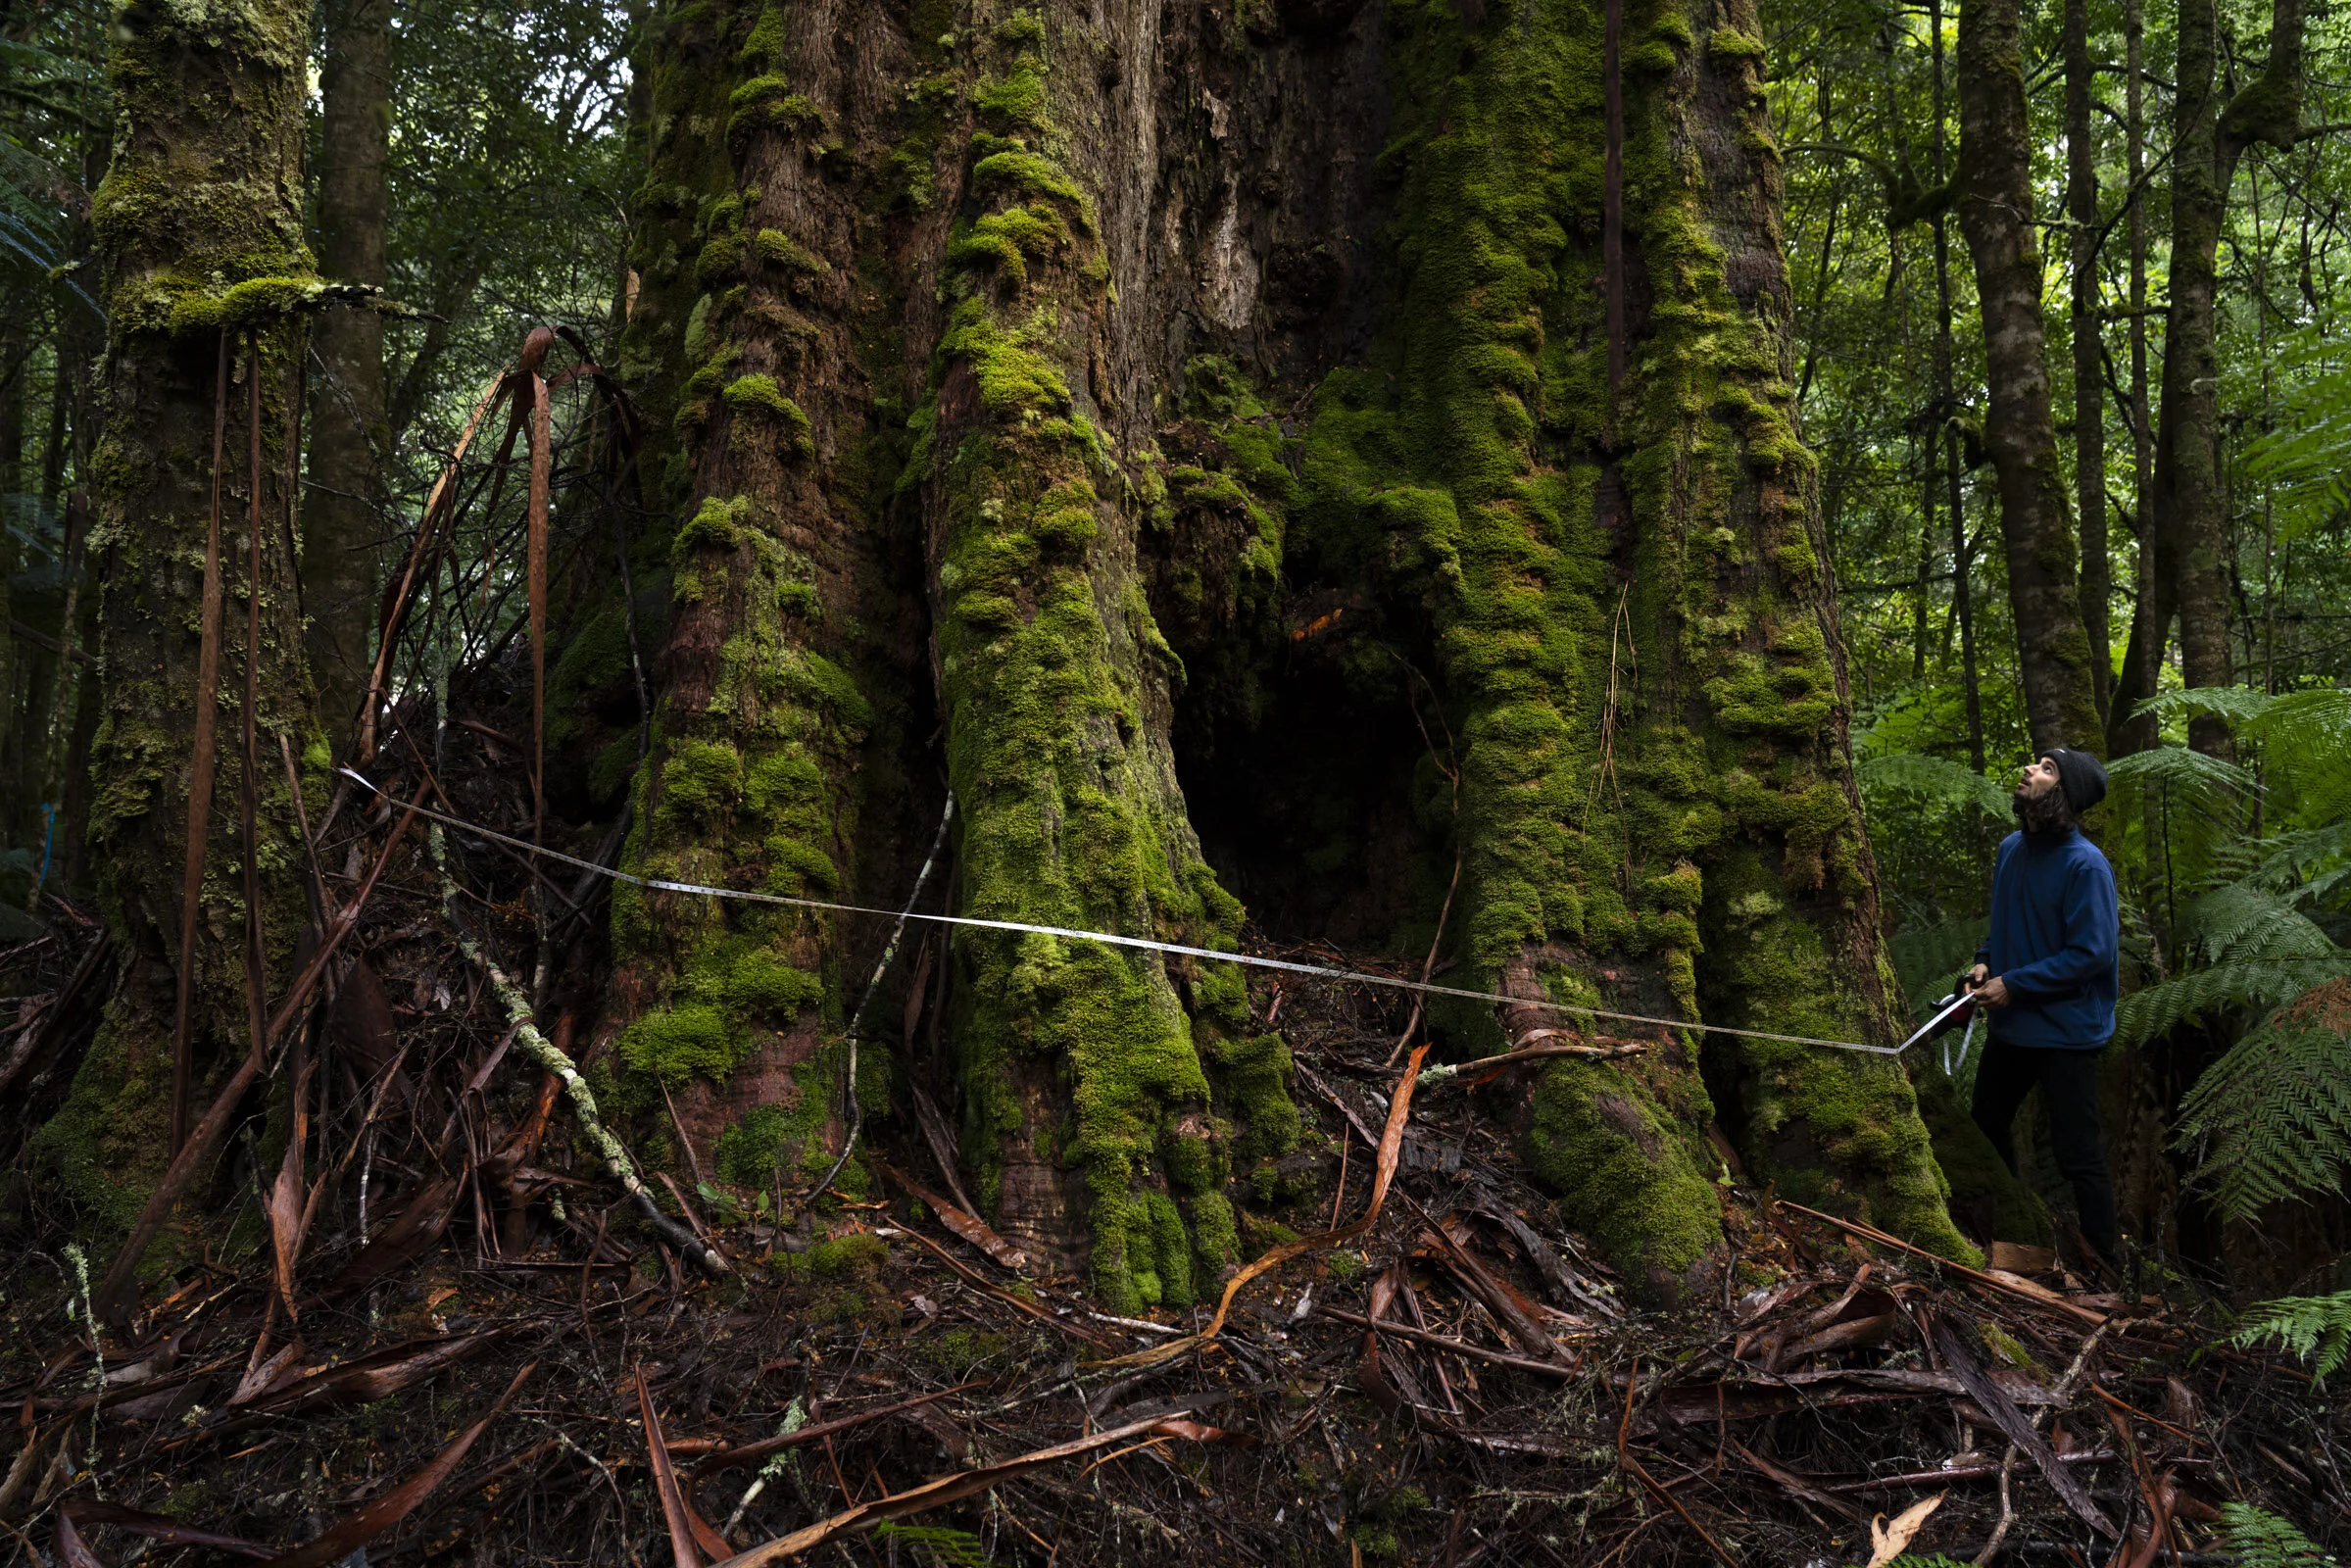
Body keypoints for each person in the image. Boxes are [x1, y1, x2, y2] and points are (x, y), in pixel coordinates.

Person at [1966, 747, 2122, 1267]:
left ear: (2064, 794)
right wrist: (1985, 963)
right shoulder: (2011, 849)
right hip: (2014, 1027)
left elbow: (2092, 954)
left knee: (2078, 1157)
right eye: (2037, 762)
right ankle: (2014, 1230)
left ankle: (2105, 1270)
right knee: (1985, 1126)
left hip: (2067, 1033)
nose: (2031, 769)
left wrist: (2015, 984)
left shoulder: (2086, 865)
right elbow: (2005, 926)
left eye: (2047, 769)